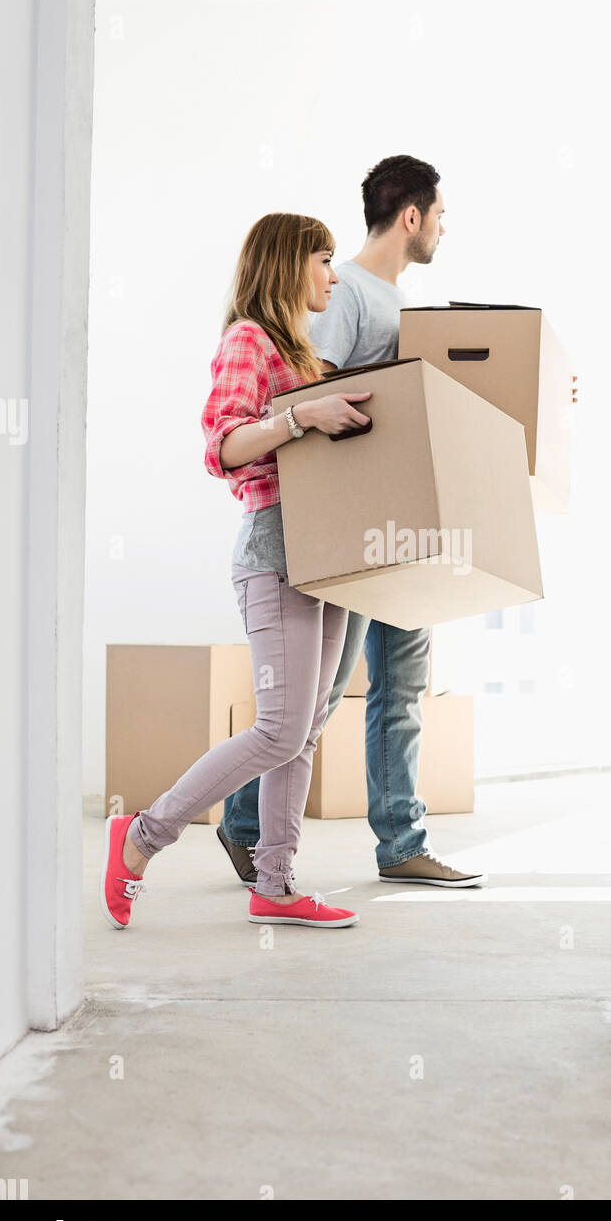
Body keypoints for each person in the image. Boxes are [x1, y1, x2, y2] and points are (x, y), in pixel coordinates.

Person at [217, 155, 489, 890]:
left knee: (401, 684)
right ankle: (244, 825)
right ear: (412, 216)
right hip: (350, 530)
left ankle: (400, 841)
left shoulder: (402, 305)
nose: (442, 227)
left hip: (405, 524)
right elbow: (306, 398)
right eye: (439, 214)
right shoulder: (349, 297)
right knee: (321, 698)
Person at [100, 212, 377, 931]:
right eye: (323, 260)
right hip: (275, 550)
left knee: (305, 730)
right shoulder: (248, 340)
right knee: (281, 729)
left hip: (328, 553)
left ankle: (277, 884)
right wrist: (300, 419)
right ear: (290, 264)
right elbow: (221, 446)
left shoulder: (305, 354)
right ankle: (140, 837)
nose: (334, 275)